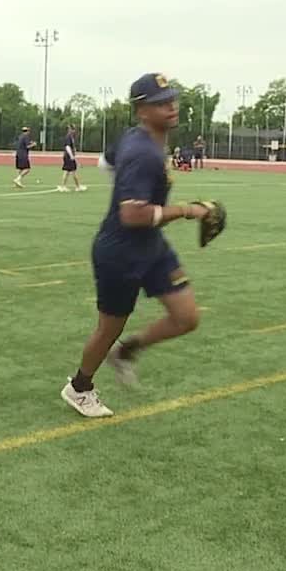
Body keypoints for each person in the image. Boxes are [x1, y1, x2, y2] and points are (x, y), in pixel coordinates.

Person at [61, 73, 211, 418]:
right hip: (120, 252)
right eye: (161, 102)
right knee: (109, 327)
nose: (171, 106)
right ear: (142, 110)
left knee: (186, 317)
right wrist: (186, 210)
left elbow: (106, 161)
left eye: (172, 98)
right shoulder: (143, 152)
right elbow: (132, 215)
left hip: (151, 245)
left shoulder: (139, 138)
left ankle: (126, 352)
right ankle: (79, 387)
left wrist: (131, 190)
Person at [58, 125, 87, 192]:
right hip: (69, 157)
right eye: (73, 129)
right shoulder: (68, 137)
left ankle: (64, 186)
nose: (74, 131)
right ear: (70, 129)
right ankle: (77, 187)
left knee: (67, 172)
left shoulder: (70, 137)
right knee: (73, 172)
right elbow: (67, 147)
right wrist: (71, 156)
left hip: (68, 156)